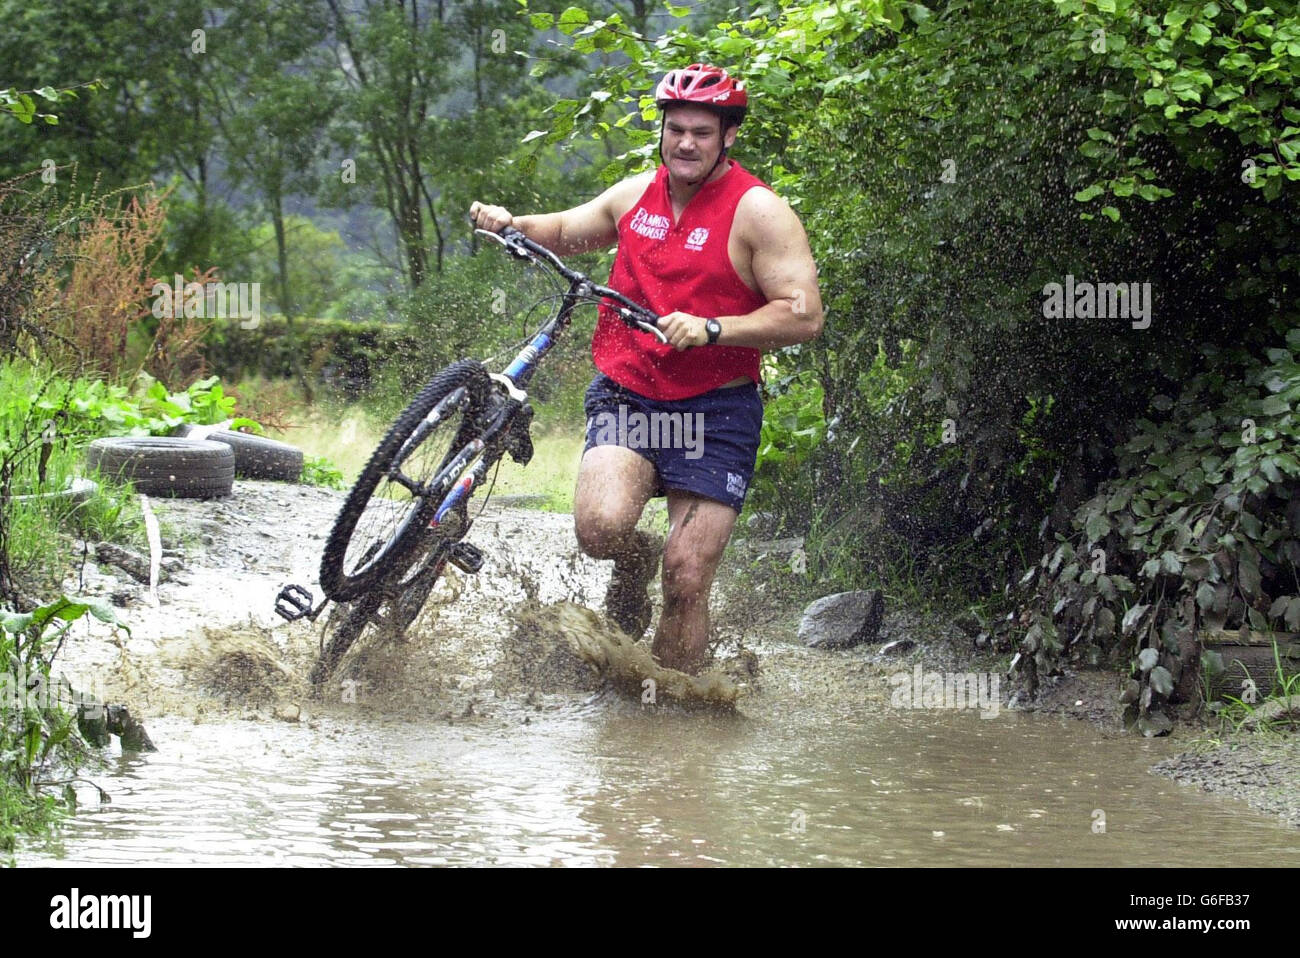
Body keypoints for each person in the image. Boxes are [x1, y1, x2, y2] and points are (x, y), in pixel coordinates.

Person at [470, 63, 822, 675]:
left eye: (702, 132)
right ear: (662, 130)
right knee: (600, 529)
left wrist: (715, 328)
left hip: (717, 411)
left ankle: (670, 733)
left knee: (686, 576)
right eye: (676, 129)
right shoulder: (636, 195)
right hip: (630, 397)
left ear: (728, 137)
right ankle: (634, 563)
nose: (686, 143)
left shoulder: (759, 212)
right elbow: (564, 231)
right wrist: (512, 224)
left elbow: (803, 314)